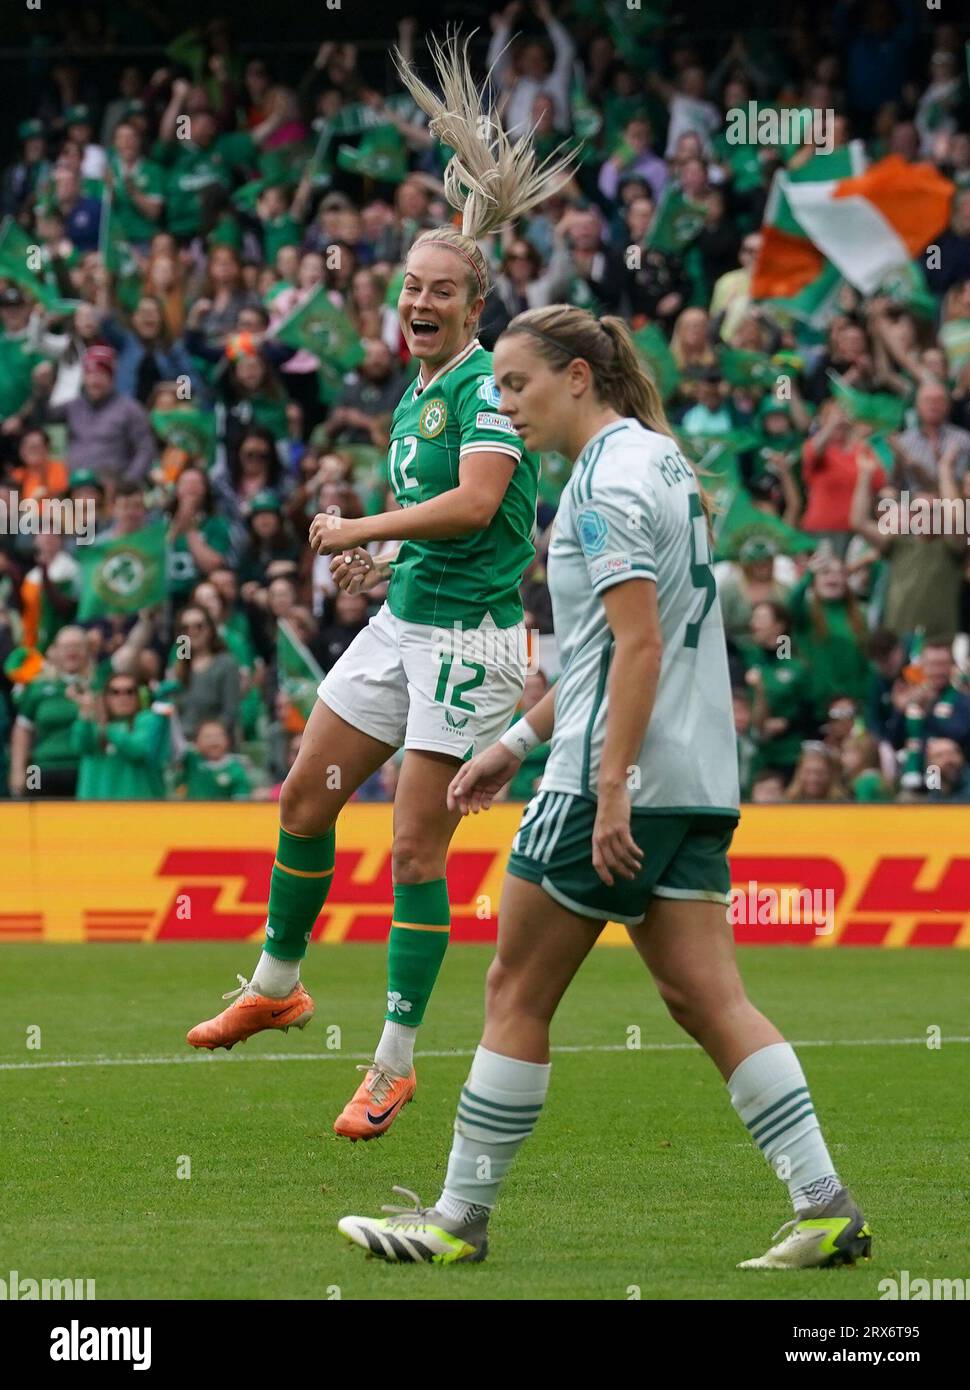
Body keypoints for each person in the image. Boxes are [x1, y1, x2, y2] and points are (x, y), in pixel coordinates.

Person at [336, 303, 871, 1270]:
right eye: (493, 385)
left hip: (609, 781)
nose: (502, 404)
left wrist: (607, 784)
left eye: (515, 384)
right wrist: (514, 740)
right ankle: (825, 1203)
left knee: (515, 989)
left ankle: (458, 1219)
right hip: (698, 775)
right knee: (707, 998)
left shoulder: (600, 486)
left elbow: (637, 645)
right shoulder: (660, 460)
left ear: (577, 376)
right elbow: (608, 650)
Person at [184, 33, 579, 1145]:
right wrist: (379, 564)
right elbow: (451, 529)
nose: (419, 300)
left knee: (412, 849)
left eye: (441, 290)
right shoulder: (414, 397)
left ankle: (395, 1062)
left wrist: (360, 526)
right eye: (409, 284)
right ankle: (278, 981)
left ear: (472, 305)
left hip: (471, 648)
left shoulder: (490, 390)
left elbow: (472, 505)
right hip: (409, 619)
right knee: (306, 795)